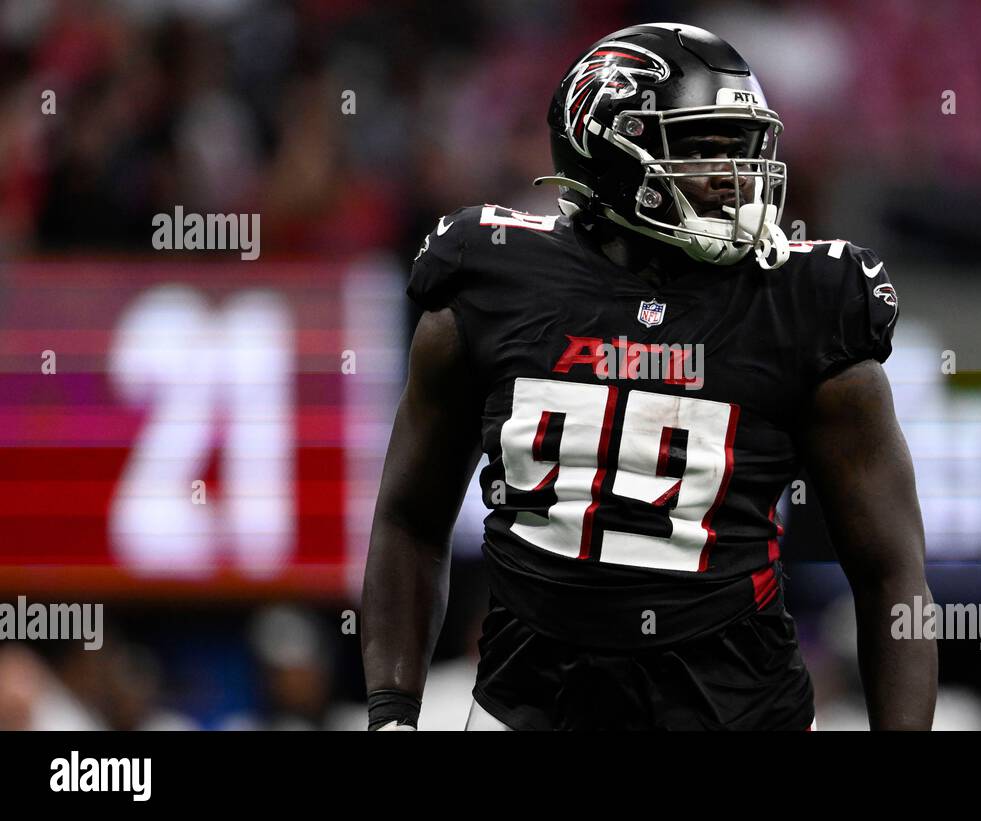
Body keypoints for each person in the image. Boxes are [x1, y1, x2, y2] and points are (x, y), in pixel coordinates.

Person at [362, 22, 934, 730]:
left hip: (741, 713)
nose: (735, 179)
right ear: (607, 151)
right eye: (702, 148)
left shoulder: (804, 303)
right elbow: (411, 520)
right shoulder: (491, 279)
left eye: (744, 149)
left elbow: (891, 573)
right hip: (530, 707)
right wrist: (392, 713)